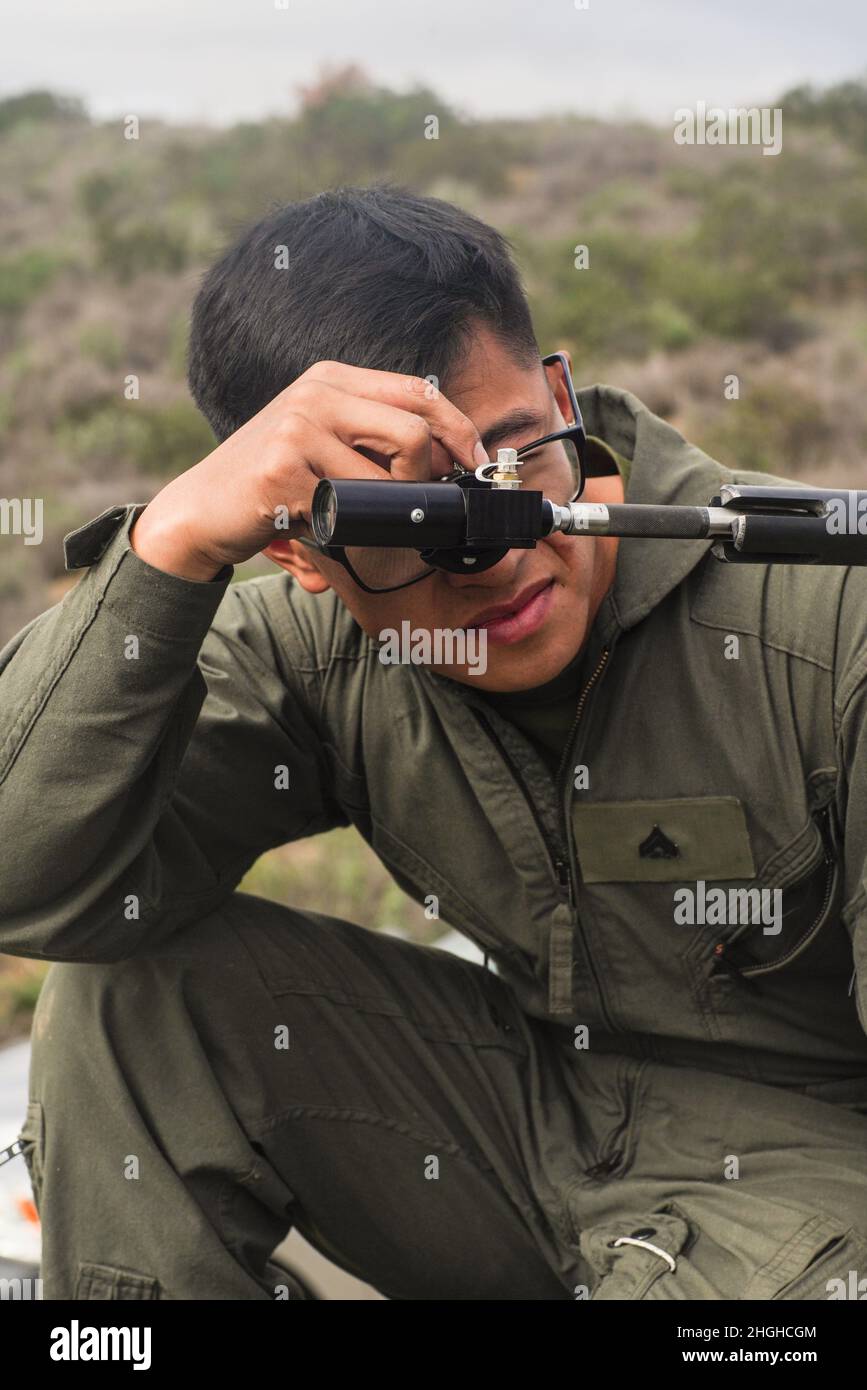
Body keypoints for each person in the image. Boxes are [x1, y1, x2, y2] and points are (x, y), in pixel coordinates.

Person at [3, 185, 867, 1300]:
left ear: (559, 392)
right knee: (130, 994)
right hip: (524, 1130)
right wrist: (167, 552)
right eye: (407, 521)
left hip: (817, 1180)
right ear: (298, 551)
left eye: (511, 466)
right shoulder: (310, 645)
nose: (494, 558)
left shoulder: (827, 621)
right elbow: (25, 873)